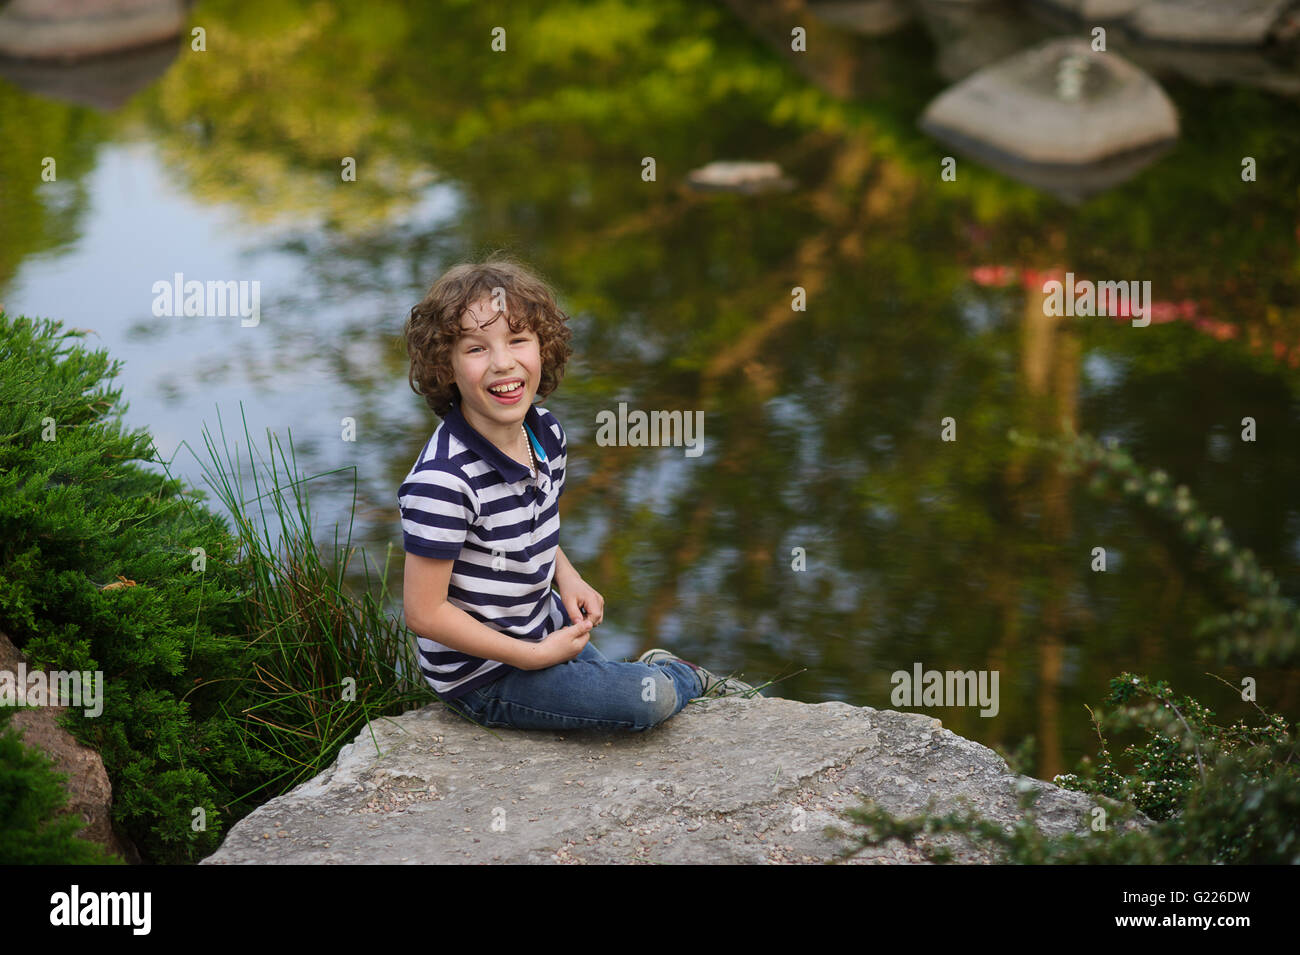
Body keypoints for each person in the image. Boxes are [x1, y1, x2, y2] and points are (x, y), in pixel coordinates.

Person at [398, 254, 755, 733]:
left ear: (543, 350)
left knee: (625, 690)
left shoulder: (543, 432)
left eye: (518, 340)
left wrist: (569, 578)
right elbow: (424, 613)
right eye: (476, 348)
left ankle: (643, 669)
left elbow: (530, 525)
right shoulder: (443, 481)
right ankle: (683, 676)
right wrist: (531, 656)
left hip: (542, 630)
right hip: (485, 677)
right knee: (647, 702)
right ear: (446, 366)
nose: (503, 362)